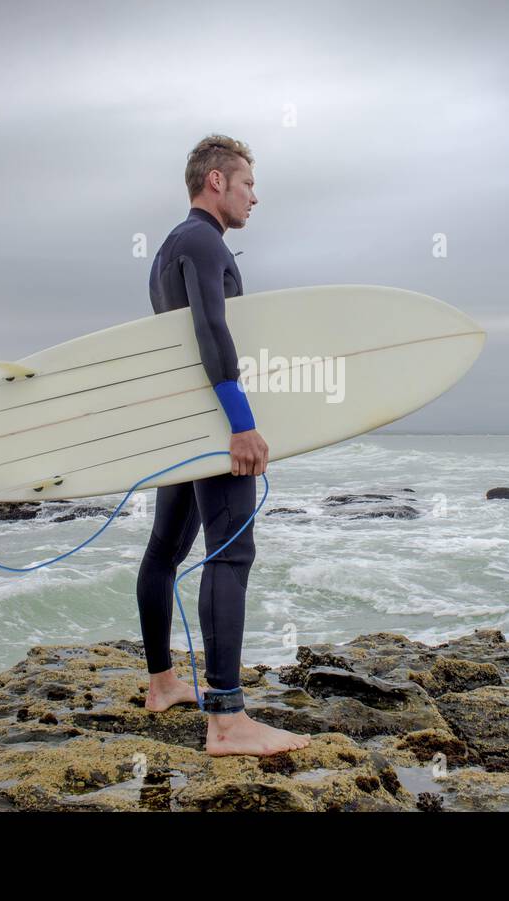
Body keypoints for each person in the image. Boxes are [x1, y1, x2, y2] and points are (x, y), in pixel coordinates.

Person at [135, 134, 311, 757]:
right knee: (230, 555)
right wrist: (240, 421)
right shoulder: (205, 242)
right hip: (212, 422)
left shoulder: (167, 250)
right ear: (216, 182)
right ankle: (228, 721)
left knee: (165, 549)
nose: (254, 197)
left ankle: (161, 684)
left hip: (182, 423)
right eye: (247, 185)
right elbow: (212, 330)